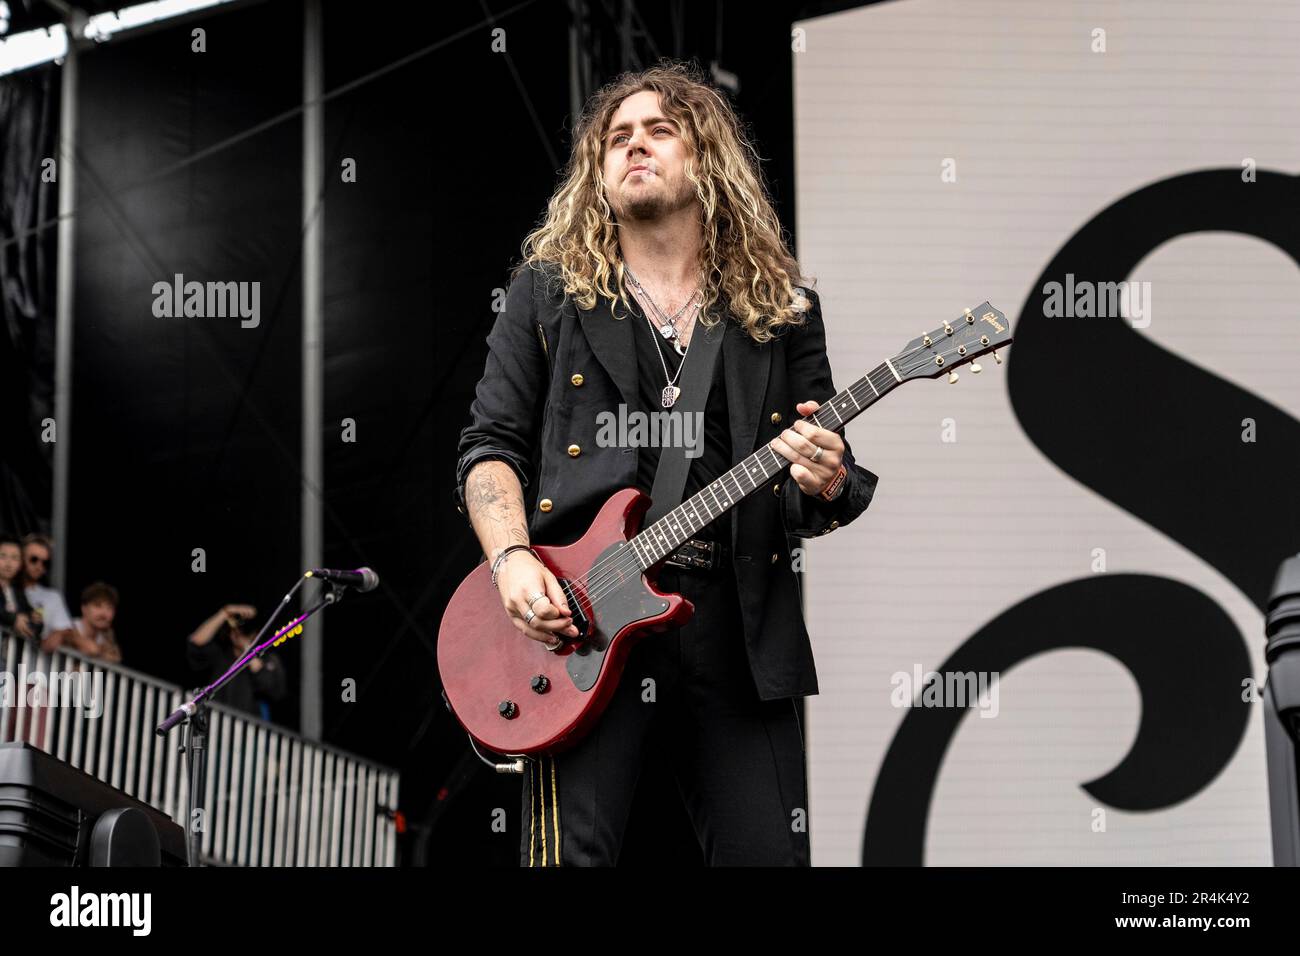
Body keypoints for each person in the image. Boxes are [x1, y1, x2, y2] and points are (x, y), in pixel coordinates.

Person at [455, 62, 878, 867]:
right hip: (582, 618)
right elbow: (489, 448)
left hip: (735, 626)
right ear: (597, 172)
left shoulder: (780, 311)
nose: (634, 146)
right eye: (617, 137)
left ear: (706, 158)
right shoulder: (546, 296)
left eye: (659, 130)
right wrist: (511, 560)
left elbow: (826, 473)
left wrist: (825, 476)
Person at [187, 604, 286, 719]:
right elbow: (196, 642)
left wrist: (248, 647)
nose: (239, 633)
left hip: (246, 724)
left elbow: (274, 690)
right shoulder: (221, 653)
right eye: (237, 628)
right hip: (214, 720)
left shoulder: (267, 658)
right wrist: (224, 613)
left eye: (245, 630)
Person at [19, 533, 76, 652]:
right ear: (21, 557)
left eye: (45, 563)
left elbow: (67, 630)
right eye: (34, 559)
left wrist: (59, 634)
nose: (39, 566)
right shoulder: (6, 588)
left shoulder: (52, 597)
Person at [68, 582, 123, 664]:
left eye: (109, 608)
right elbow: (91, 649)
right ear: (84, 608)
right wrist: (102, 651)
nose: (104, 613)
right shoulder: (68, 626)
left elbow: (116, 657)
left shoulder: (105, 636)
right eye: (97, 606)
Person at [0, 535, 36, 641]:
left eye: (15, 558)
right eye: (3, 556)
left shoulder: (18, 592)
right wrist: (13, 619)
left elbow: (32, 620)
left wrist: (35, 619)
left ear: (21, 564)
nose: (8, 563)